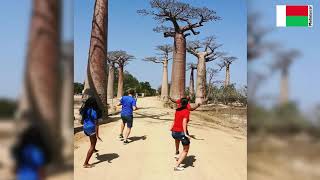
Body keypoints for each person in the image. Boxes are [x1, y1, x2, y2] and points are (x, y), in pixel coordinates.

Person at [80, 97, 102, 168]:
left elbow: (82, 120)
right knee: (92, 144)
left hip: (85, 127)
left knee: (93, 140)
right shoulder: (94, 111)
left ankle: (94, 149)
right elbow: (96, 124)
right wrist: (97, 134)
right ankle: (86, 163)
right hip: (91, 128)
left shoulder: (84, 110)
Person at [170, 98, 191, 171]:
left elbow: (175, 119)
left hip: (174, 132)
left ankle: (177, 154)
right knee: (186, 149)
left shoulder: (177, 110)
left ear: (181, 103)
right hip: (181, 132)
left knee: (178, 140)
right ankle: (177, 166)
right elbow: (184, 122)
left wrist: (171, 127)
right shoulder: (186, 111)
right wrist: (186, 134)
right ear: (187, 104)